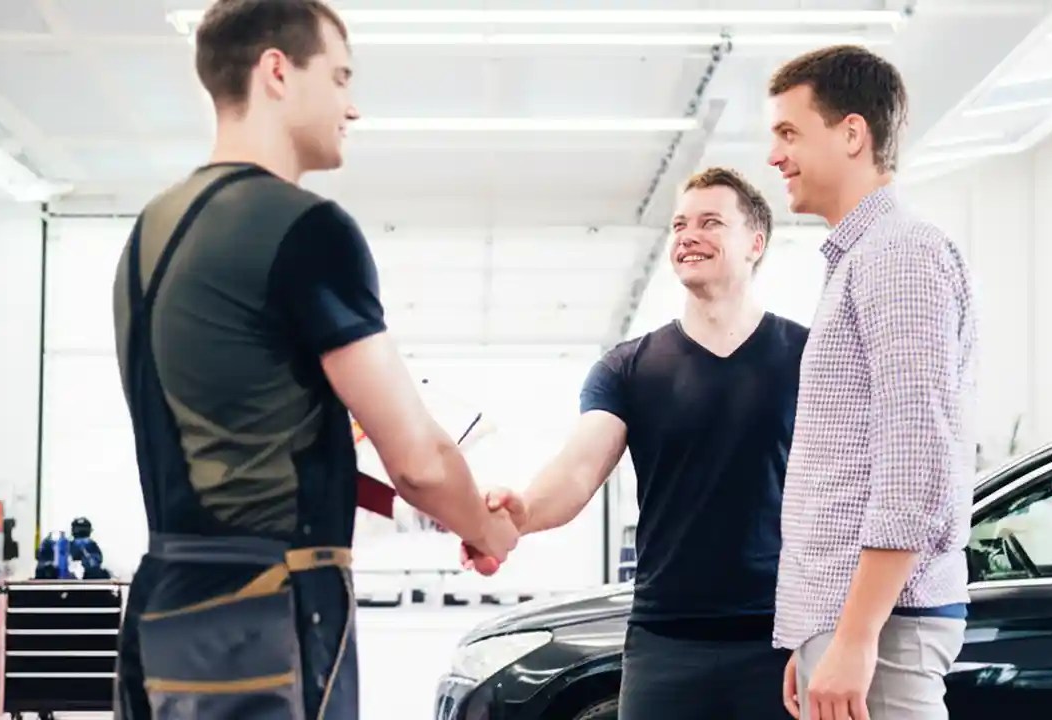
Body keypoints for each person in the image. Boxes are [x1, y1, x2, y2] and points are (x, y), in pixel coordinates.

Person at [109, 1, 518, 717]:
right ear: (276, 71)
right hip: (269, 610)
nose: (351, 106)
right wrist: (485, 531)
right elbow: (417, 457)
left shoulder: (149, 233)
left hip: (164, 601)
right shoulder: (305, 229)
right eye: (338, 77)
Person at [465, 167, 809, 720]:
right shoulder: (628, 367)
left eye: (710, 222)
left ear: (755, 243)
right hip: (663, 644)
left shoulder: (808, 357)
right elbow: (578, 471)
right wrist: (518, 515)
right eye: (679, 224)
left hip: (778, 644)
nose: (687, 235)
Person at [765, 45, 978, 720]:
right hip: (853, 625)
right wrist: (813, 638)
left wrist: (855, 640)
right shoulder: (860, 258)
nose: (775, 156)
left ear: (852, 133)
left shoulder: (900, 253)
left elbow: (917, 462)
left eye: (789, 132)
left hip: (886, 627)